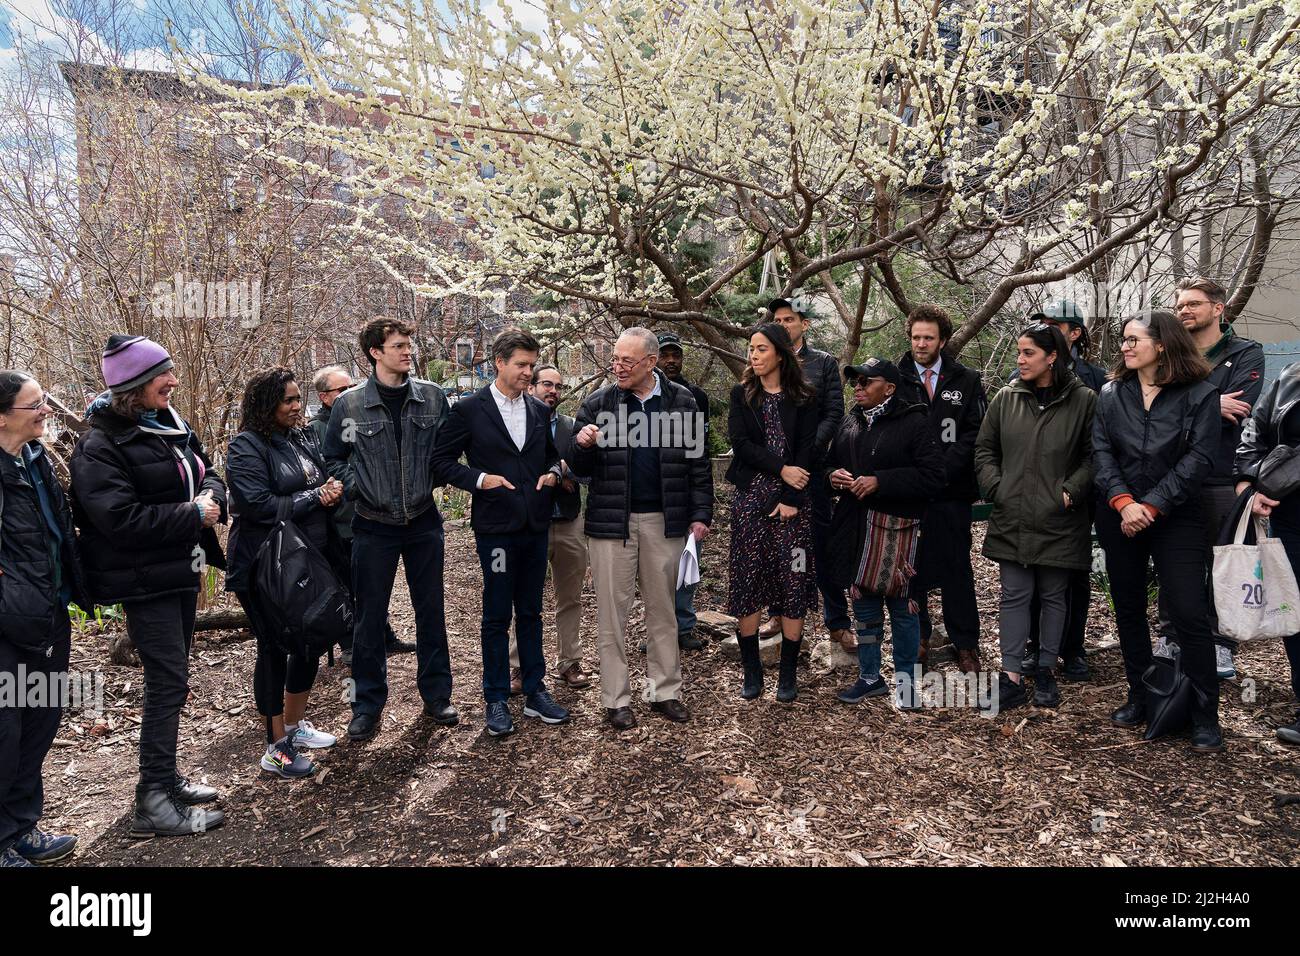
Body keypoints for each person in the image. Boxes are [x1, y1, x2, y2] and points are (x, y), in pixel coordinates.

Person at [70, 336, 227, 837]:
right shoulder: (100, 446)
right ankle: (152, 801)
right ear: (134, 386)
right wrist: (192, 513)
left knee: (173, 681)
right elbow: (119, 520)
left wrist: (209, 496)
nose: (174, 381)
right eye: (164, 375)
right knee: (168, 683)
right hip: (144, 581)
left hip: (179, 571)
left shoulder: (169, 425)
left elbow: (212, 474)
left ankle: (165, 779)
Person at [569, 328, 713, 730]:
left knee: (663, 611)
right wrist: (580, 444)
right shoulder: (599, 403)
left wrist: (700, 515)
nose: (617, 367)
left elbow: (698, 466)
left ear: (651, 362)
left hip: (665, 523)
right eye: (614, 359)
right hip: (611, 524)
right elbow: (579, 470)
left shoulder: (683, 403)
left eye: (626, 361)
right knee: (611, 615)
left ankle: (663, 691)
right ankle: (616, 699)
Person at [1092, 310, 1223, 752]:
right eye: (1123, 341)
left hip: (1177, 517)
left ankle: (1206, 713)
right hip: (1119, 514)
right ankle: (1141, 696)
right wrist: (1125, 503)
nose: (1125, 347)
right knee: (1128, 608)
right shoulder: (1110, 394)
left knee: (1188, 613)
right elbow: (1102, 453)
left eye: (1133, 340)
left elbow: (1199, 460)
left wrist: (1151, 505)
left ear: (1162, 344)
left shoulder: (1201, 394)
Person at [322, 317, 457, 742]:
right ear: (375, 353)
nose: (407, 351)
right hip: (372, 526)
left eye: (408, 344)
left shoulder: (433, 399)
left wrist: (425, 482)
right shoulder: (350, 405)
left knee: (431, 612)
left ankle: (437, 697)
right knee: (369, 618)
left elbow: (446, 452)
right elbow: (333, 459)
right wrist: (362, 488)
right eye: (398, 345)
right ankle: (366, 706)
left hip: (422, 522)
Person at [431, 330, 569, 738]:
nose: (529, 372)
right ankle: (495, 696)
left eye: (532, 365)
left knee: (530, 611)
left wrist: (555, 472)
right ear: (499, 363)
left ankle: (535, 691)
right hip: (495, 530)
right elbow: (441, 462)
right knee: (496, 614)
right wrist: (480, 479)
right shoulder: (470, 410)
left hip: (535, 525)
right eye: (522, 365)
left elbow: (552, 456)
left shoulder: (539, 411)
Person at [226, 367, 341, 778]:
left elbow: (324, 473)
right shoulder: (246, 447)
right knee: (274, 648)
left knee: (310, 638)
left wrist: (328, 489)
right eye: (288, 401)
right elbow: (257, 504)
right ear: (265, 405)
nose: (297, 407)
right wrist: (316, 496)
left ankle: (294, 727)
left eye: (298, 400)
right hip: (265, 565)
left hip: (307, 558)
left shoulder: (300, 437)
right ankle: (275, 746)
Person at [976, 324, 1097, 711]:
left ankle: (1045, 669)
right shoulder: (1006, 398)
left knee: (1053, 596)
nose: (1020, 359)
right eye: (1018, 352)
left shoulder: (1085, 400)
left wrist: (1069, 493)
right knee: (1014, 595)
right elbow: (984, 449)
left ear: (1052, 356)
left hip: (1059, 517)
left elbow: (1095, 456)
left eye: (1028, 352)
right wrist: (997, 488)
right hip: (1013, 514)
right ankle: (1011, 676)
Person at [1157, 278, 1265, 681]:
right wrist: (1206, 402)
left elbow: (1239, 408)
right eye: (1180, 304)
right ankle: (1172, 635)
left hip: (1222, 476)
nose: (1184, 310)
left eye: (1194, 304)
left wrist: (1184, 401)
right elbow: (1155, 406)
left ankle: (1221, 644)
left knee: (1226, 562)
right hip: (1176, 474)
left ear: (1218, 308)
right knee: (1175, 560)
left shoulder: (1246, 353)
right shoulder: (1168, 353)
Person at [0, 372, 88, 866]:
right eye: (35, 405)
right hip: (6, 626)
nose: (46, 411)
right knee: (4, 731)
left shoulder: (35, 459)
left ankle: (20, 828)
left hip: (49, 612)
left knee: (40, 721)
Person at [824, 359, 944, 708]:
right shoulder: (850, 421)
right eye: (855, 383)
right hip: (855, 529)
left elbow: (934, 477)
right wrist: (833, 478)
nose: (857, 387)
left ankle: (907, 685)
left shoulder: (914, 421)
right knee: (863, 605)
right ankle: (869, 677)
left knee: (903, 608)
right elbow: (827, 466)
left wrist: (882, 481)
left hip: (898, 530)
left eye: (865, 381)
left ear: (889, 388)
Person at [724, 324, 819, 702]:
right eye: (751, 349)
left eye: (761, 349)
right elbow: (741, 444)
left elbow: (808, 451)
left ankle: (788, 674)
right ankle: (752, 671)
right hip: (751, 503)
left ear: (780, 353)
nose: (753, 355)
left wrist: (791, 497)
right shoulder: (742, 395)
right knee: (749, 580)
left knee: (793, 579)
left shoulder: (805, 398)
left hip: (795, 506)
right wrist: (780, 470)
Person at [1018, 300, 1106, 681]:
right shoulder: (1020, 379)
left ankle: (1073, 649)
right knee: (1033, 575)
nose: (1047, 327)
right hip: (1031, 496)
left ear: (1073, 333)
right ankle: (1035, 647)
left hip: (1076, 496)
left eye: (1055, 324)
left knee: (1073, 576)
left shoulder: (1096, 379)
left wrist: (1075, 488)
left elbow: (1099, 444)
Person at [897, 304, 987, 672]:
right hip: (910, 492)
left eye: (928, 338)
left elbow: (975, 432)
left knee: (957, 568)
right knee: (911, 567)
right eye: (916, 337)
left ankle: (965, 644)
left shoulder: (966, 379)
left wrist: (943, 471)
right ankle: (917, 638)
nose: (921, 344)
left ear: (943, 340)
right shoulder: (896, 377)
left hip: (952, 491)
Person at [307, 365, 413, 665]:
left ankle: (385, 636)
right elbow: (328, 469)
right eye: (341, 389)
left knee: (371, 584)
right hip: (340, 521)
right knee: (347, 585)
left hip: (370, 515)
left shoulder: (361, 414)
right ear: (324, 396)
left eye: (351, 385)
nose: (349, 392)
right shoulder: (317, 429)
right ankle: (350, 644)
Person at [759, 300, 847, 648]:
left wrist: (808, 454)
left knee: (822, 545)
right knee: (777, 545)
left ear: (804, 324)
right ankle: (777, 613)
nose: (782, 325)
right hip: (775, 471)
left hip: (814, 469)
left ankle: (837, 621)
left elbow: (834, 412)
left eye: (789, 319)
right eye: (777, 320)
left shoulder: (822, 363)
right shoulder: (765, 360)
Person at [506, 364, 593, 692]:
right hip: (531, 525)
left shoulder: (572, 428)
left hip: (569, 524)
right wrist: (557, 473)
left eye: (558, 386)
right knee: (525, 598)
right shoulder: (517, 423)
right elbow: (518, 473)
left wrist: (565, 473)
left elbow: (587, 473)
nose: (552, 390)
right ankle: (518, 666)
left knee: (570, 598)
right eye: (546, 384)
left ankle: (569, 663)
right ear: (531, 387)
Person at [1234, 361, 1300, 744]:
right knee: (1294, 607)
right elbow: (1254, 434)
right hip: (1290, 512)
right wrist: (1249, 480)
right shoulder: (1291, 377)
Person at [657, 332, 711, 651]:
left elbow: (699, 451)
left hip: (686, 492)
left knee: (687, 563)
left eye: (676, 355)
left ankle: (684, 625)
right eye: (665, 355)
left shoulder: (695, 396)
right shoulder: (640, 395)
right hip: (653, 496)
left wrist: (702, 506)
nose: (671, 360)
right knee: (656, 570)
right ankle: (660, 630)